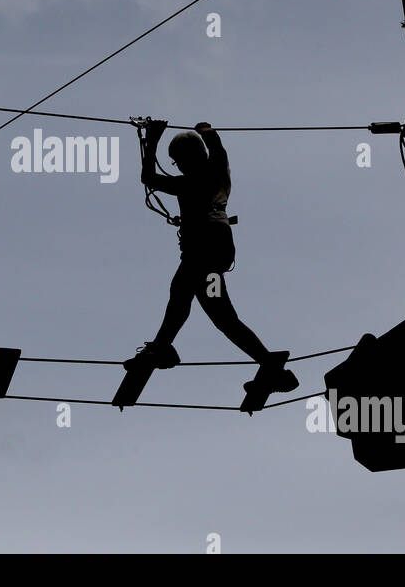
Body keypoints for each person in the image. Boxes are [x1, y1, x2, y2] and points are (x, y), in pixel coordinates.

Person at [125, 119, 296, 404]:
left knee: (181, 291)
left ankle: (161, 348)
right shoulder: (218, 170)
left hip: (203, 252)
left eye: (178, 160)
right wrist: (205, 129)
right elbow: (217, 146)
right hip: (216, 257)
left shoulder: (190, 181)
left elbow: (148, 178)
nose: (178, 166)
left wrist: (152, 141)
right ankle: (270, 364)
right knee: (221, 315)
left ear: (187, 159)